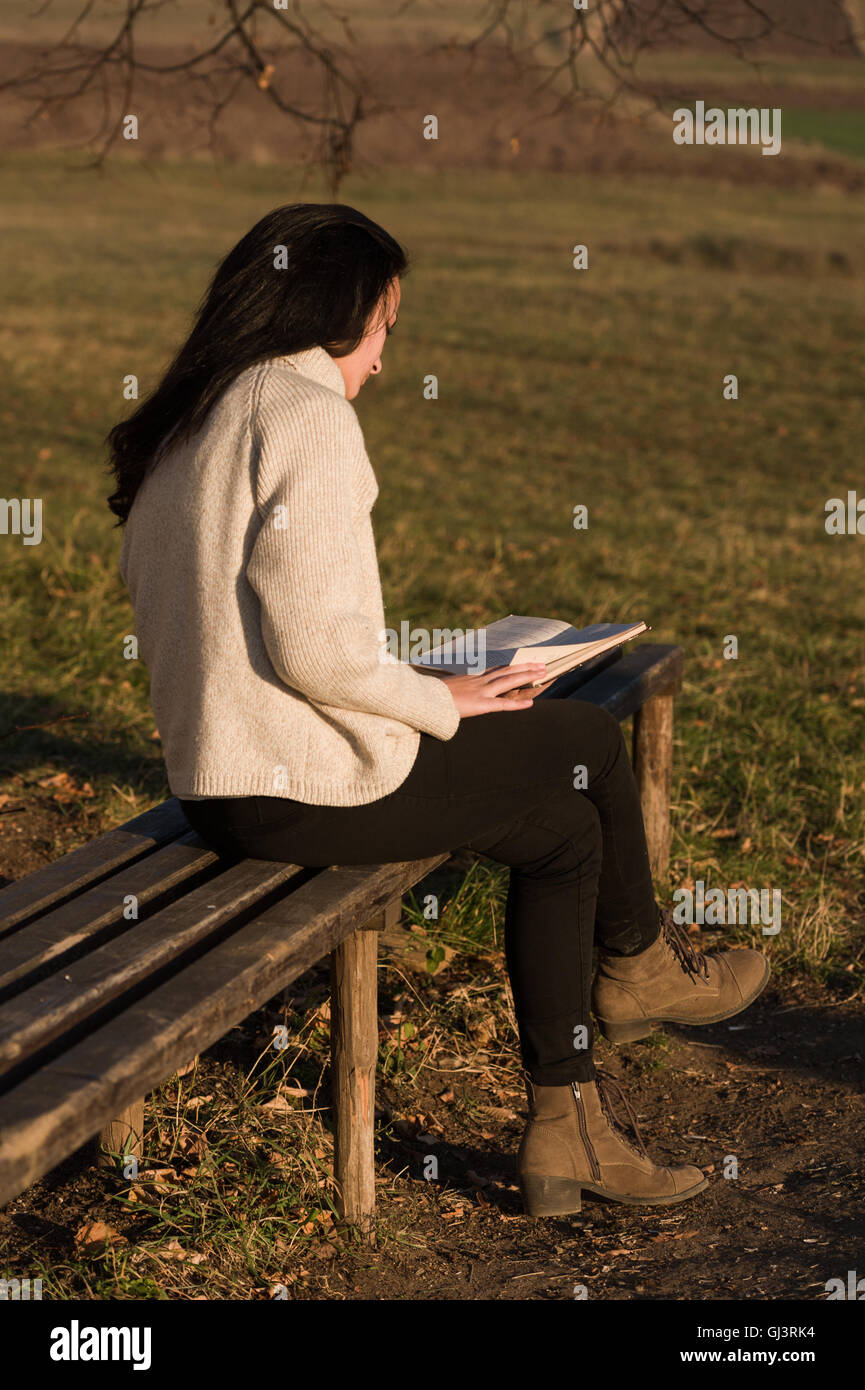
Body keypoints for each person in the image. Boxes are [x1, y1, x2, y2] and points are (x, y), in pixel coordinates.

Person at [107, 203, 770, 1219]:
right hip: (301, 787)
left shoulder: (198, 414)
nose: (380, 361)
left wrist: (417, 684)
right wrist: (441, 695)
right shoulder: (306, 412)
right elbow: (317, 649)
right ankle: (638, 967)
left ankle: (568, 1129)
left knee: (555, 831)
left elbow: (252, 628)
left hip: (220, 784)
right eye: (384, 331)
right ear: (339, 315)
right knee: (584, 736)